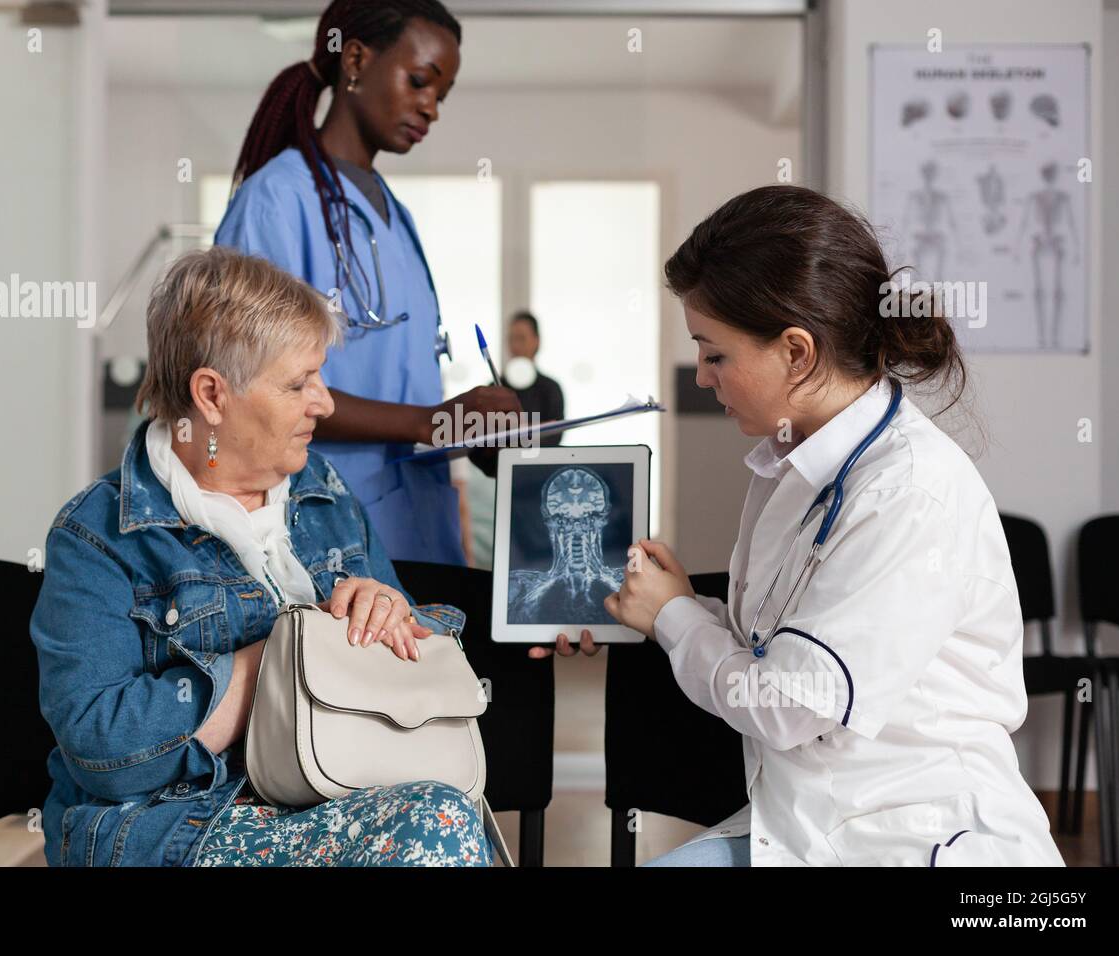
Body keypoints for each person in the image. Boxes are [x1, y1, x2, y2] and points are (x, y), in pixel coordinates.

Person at [602, 185, 1065, 866]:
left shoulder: (909, 493)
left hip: (907, 834)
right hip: (804, 820)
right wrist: (648, 608)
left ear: (797, 352)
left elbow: (786, 703)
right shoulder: (794, 463)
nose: (701, 377)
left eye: (714, 353)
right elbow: (774, 645)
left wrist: (674, 618)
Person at [30, 248, 491, 866]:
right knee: (434, 828)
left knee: (446, 817)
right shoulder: (96, 537)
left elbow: (409, 654)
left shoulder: (324, 491)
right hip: (177, 823)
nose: (324, 403)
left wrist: (390, 613)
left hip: (338, 789)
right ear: (212, 395)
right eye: (299, 383)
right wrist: (282, 658)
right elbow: (102, 751)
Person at [214, 0, 520, 567]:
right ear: (354, 59)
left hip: (418, 533)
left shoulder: (395, 215)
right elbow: (252, 385)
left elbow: (404, 382)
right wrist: (433, 422)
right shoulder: (276, 201)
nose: (431, 108)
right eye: (420, 81)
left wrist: (477, 436)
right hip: (323, 538)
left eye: (441, 96)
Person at [504, 310, 565, 447]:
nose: (515, 346)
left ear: (536, 341)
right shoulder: (494, 389)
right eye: (511, 339)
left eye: (521, 338)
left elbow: (555, 435)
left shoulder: (551, 389)